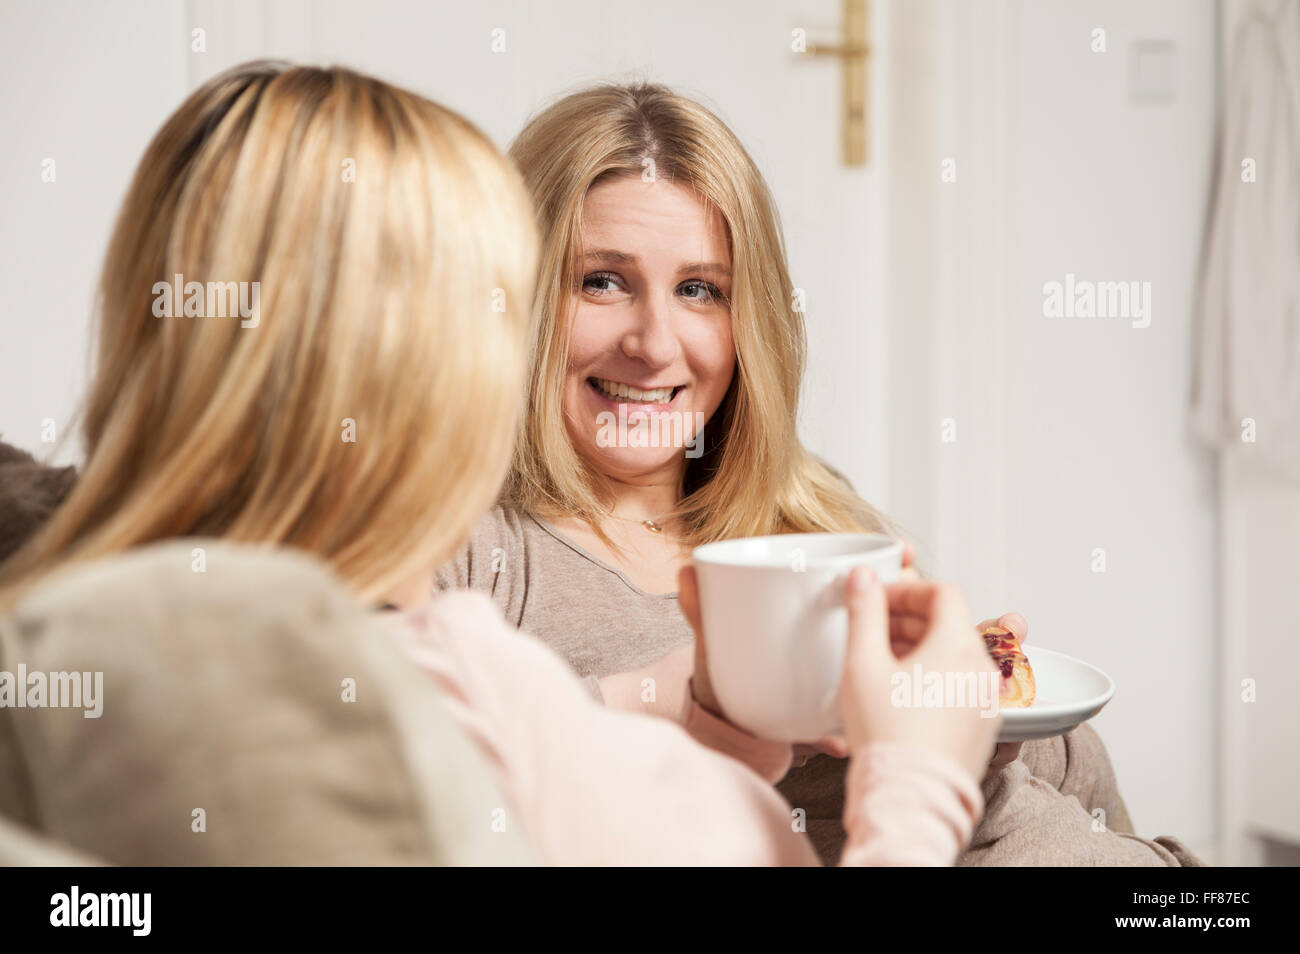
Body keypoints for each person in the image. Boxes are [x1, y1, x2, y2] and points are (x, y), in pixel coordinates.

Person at [0, 60, 1001, 865]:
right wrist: (917, 783)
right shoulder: (458, 670)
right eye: (574, 287)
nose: (650, 342)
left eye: (701, 290)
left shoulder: (69, 636)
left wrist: (714, 708)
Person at [438, 82, 1201, 866]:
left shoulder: (813, 512)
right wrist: (682, 701)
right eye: (602, 280)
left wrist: (971, 711)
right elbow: (429, 791)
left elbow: (1068, 766)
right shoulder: (469, 551)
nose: (654, 343)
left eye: (699, 290)